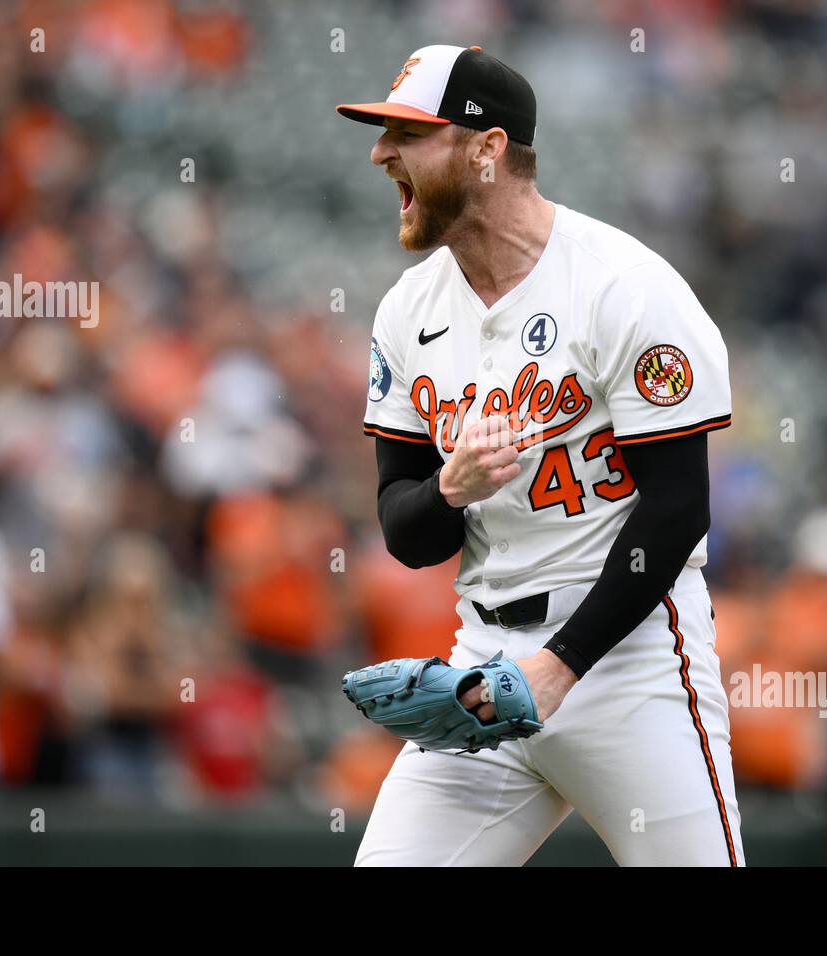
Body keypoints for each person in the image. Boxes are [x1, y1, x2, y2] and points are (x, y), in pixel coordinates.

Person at [337, 44, 742, 866]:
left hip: (629, 666)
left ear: (487, 151)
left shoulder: (624, 286)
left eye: (409, 134)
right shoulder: (407, 311)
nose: (381, 153)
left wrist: (557, 671)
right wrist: (448, 491)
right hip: (482, 668)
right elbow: (406, 532)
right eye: (385, 133)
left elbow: (676, 511)